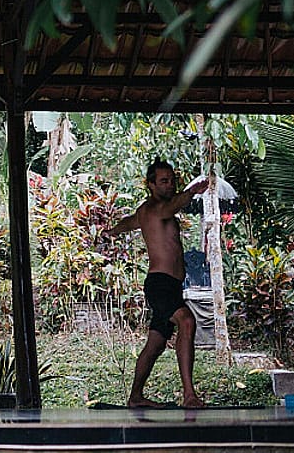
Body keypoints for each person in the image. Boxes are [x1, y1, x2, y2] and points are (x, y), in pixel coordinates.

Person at [105, 160, 209, 408]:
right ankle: (189, 395)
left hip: (172, 286)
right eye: (163, 181)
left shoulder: (146, 212)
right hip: (160, 284)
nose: (170, 185)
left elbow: (130, 222)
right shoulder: (155, 208)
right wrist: (192, 191)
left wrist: (112, 232)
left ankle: (136, 397)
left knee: (155, 344)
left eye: (172, 180)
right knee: (186, 321)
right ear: (150, 185)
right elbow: (170, 208)